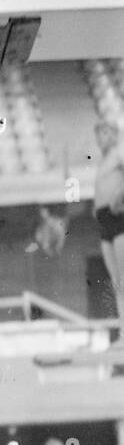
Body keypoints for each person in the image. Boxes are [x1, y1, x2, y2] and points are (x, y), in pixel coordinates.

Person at [93, 119, 124, 331]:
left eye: (104, 133)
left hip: (119, 216)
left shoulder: (119, 153)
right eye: (98, 134)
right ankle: (123, 331)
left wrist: (118, 197)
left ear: (114, 134)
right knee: (116, 282)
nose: (100, 137)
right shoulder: (102, 162)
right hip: (104, 220)